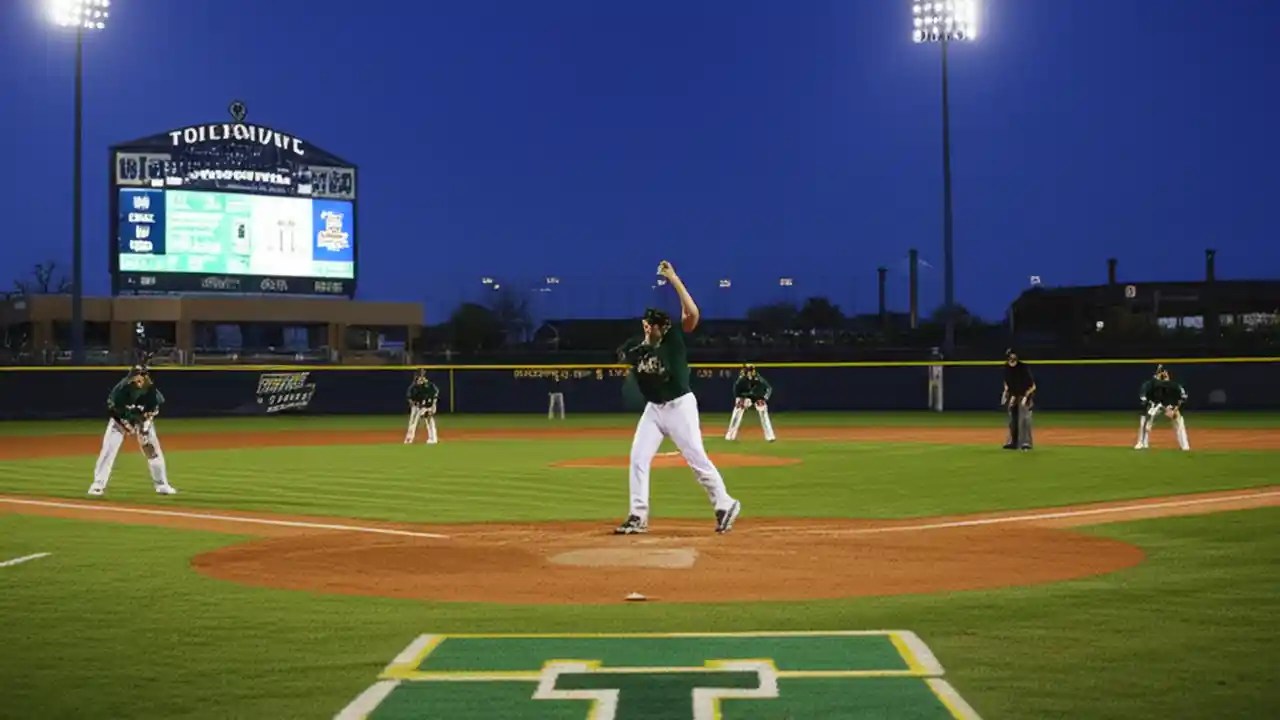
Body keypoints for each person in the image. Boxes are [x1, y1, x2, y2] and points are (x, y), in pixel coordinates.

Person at [614, 260, 741, 535]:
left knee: (696, 459)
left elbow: (692, 313)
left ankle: (725, 503)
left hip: (679, 406)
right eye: (646, 324)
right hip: (654, 410)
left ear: (664, 326)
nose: (648, 328)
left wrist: (673, 279)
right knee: (637, 458)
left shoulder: (673, 340)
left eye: (653, 326)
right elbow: (627, 355)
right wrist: (645, 343)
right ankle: (637, 516)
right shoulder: (637, 349)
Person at [88, 365, 177, 496]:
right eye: (135, 377)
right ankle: (97, 485)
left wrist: (144, 426)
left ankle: (162, 485)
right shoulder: (121, 390)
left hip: (142, 420)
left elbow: (154, 409)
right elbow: (113, 410)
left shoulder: (151, 391)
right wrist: (126, 426)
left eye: (141, 376)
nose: (138, 380)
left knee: (152, 451)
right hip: (120, 421)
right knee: (108, 450)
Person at [1135, 365, 1190, 451]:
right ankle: (1141, 443)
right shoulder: (1150, 384)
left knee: (1179, 423)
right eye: (1161, 372)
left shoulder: (1174, 385)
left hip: (1169, 407)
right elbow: (1144, 398)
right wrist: (1149, 409)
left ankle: (1185, 446)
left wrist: (1175, 410)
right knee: (1144, 422)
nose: (1163, 374)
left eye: (1164, 373)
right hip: (1155, 406)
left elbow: (1183, 397)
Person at [725, 364, 776, 442]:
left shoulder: (757, 378)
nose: (751, 371)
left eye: (751, 370)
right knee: (737, 411)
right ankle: (730, 435)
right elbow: (736, 391)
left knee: (763, 412)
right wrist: (739, 401)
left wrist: (764, 398)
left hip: (757, 397)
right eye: (749, 370)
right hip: (744, 397)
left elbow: (768, 388)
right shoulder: (741, 380)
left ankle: (770, 436)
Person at [1001, 349, 1036, 451]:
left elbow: (1032, 386)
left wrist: (1025, 398)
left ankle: (1026, 443)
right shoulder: (1006, 368)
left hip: (1025, 394)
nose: (1011, 360)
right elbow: (1007, 383)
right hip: (1014, 395)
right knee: (1013, 420)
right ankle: (1013, 442)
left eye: (1013, 358)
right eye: (1009, 358)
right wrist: (1006, 393)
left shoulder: (1023, 368)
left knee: (1025, 419)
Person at [404, 369, 440, 444]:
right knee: (413, 423)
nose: (421, 377)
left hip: (427, 406)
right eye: (420, 375)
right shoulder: (414, 387)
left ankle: (433, 438)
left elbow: (435, 394)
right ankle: (409, 439)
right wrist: (414, 404)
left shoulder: (429, 385)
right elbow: (410, 398)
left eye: (422, 375)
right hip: (417, 407)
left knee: (430, 421)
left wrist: (431, 407)